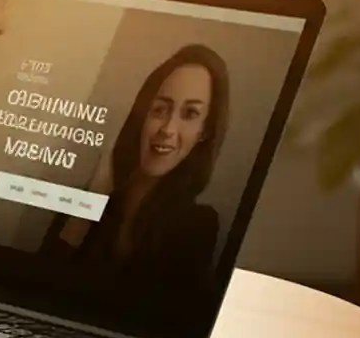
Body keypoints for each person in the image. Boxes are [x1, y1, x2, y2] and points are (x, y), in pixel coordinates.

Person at [41, 44, 229, 295]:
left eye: (190, 113)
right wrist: (99, 188)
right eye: (160, 110)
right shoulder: (90, 200)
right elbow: (41, 283)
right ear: (143, 116)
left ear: (204, 132)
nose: (168, 128)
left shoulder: (198, 226)